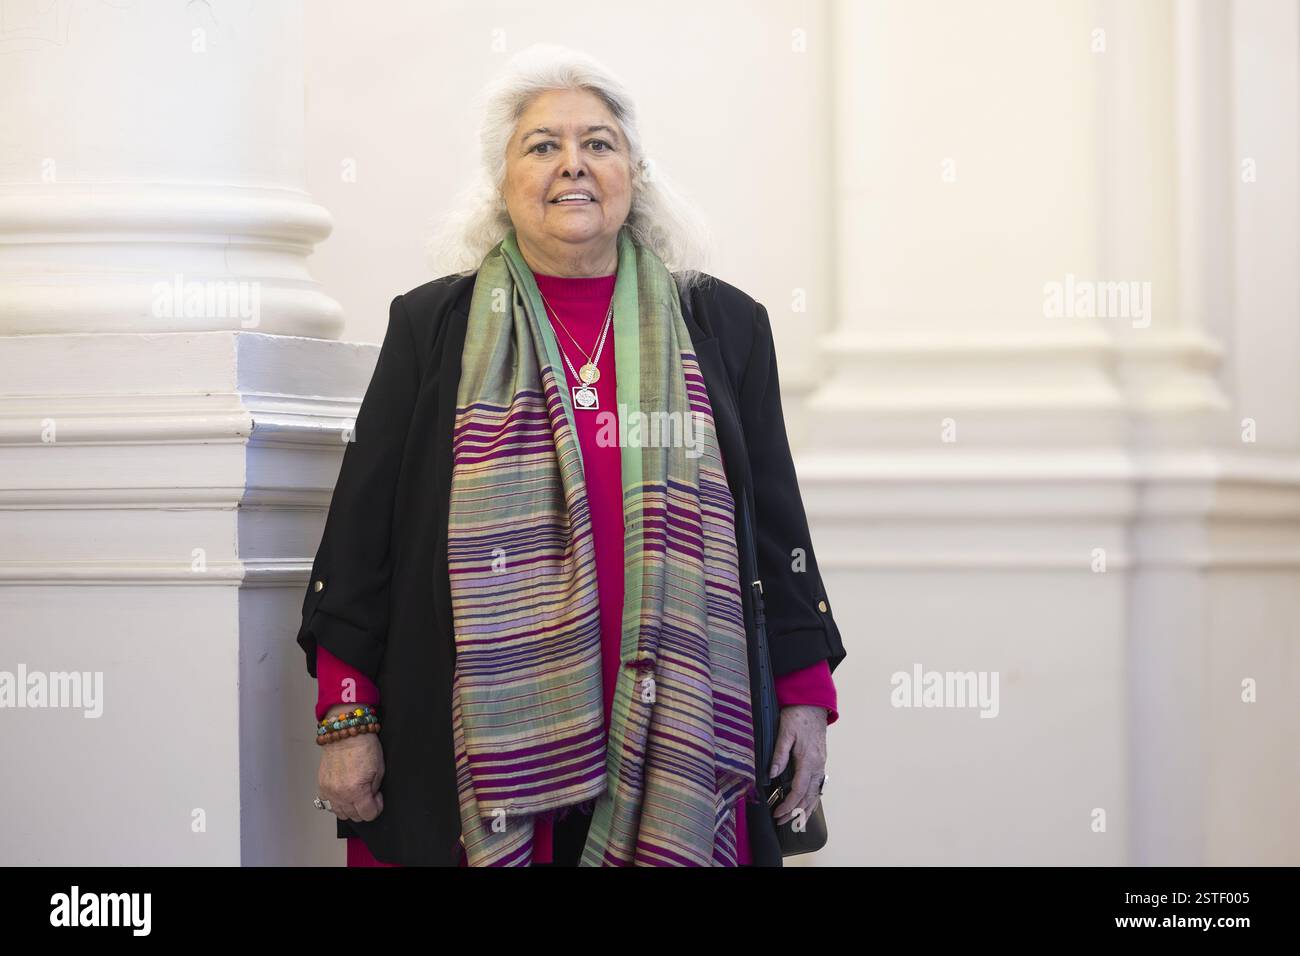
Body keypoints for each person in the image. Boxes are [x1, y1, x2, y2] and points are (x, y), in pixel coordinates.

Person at [298, 44, 845, 867]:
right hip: (470, 748)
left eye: (597, 143)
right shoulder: (432, 329)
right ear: (503, 180)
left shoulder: (724, 327)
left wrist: (805, 698)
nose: (572, 166)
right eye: (542, 146)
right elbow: (362, 539)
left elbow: (775, 524)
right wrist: (347, 716)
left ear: (635, 171)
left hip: (680, 735)